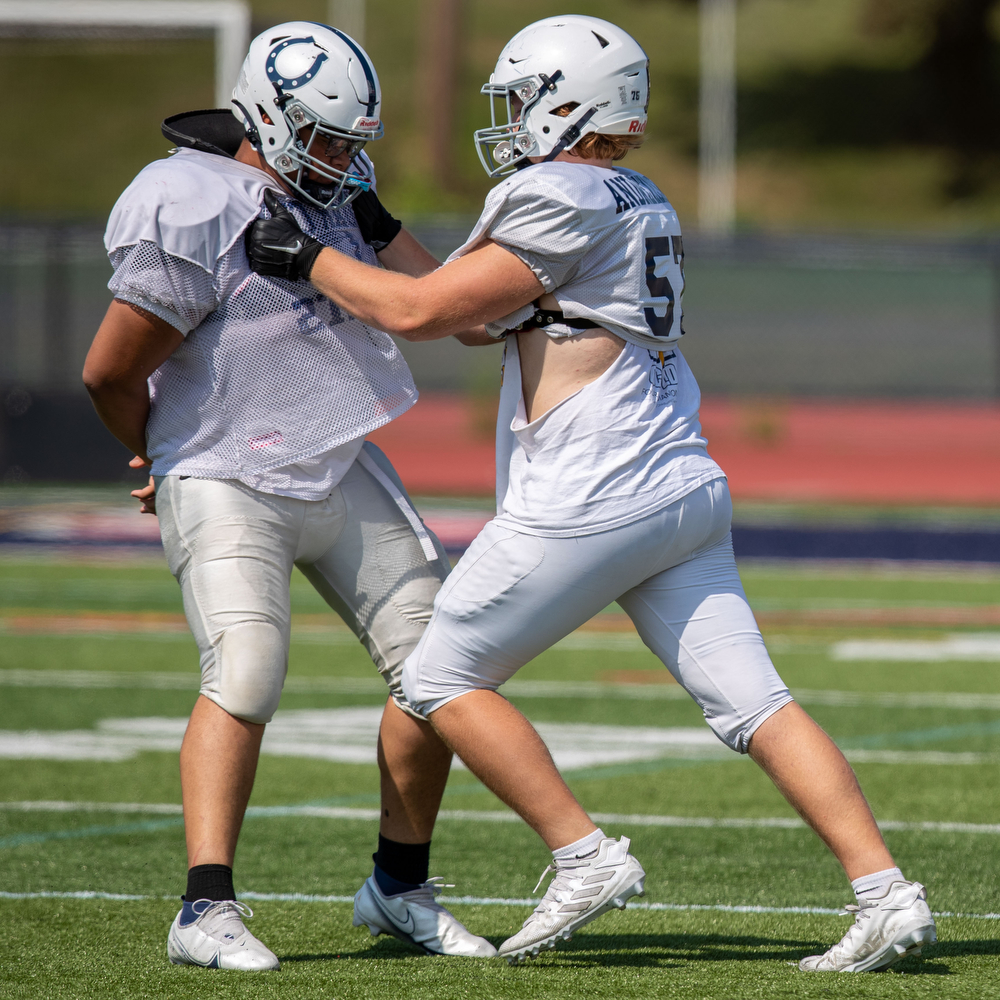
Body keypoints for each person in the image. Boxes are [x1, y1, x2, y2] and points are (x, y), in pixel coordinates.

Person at [244, 13, 939, 974]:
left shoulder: (554, 191)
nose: (513, 117)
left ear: (568, 102)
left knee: (438, 679)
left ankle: (583, 854)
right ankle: (886, 894)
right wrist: (378, 228)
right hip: (679, 483)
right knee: (754, 702)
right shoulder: (633, 192)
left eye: (524, 96)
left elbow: (423, 313)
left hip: (590, 488)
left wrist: (307, 253)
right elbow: (483, 317)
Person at [82, 21, 498, 970]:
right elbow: (109, 371)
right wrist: (150, 453)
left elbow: (444, 304)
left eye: (352, 141)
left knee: (438, 666)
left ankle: (400, 888)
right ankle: (205, 910)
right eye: (323, 139)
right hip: (226, 471)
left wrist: (381, 221)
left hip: (336, 458)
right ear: (266, 116)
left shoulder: (340, 191)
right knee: (247, 671)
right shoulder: (183, 199)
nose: (341, 160)